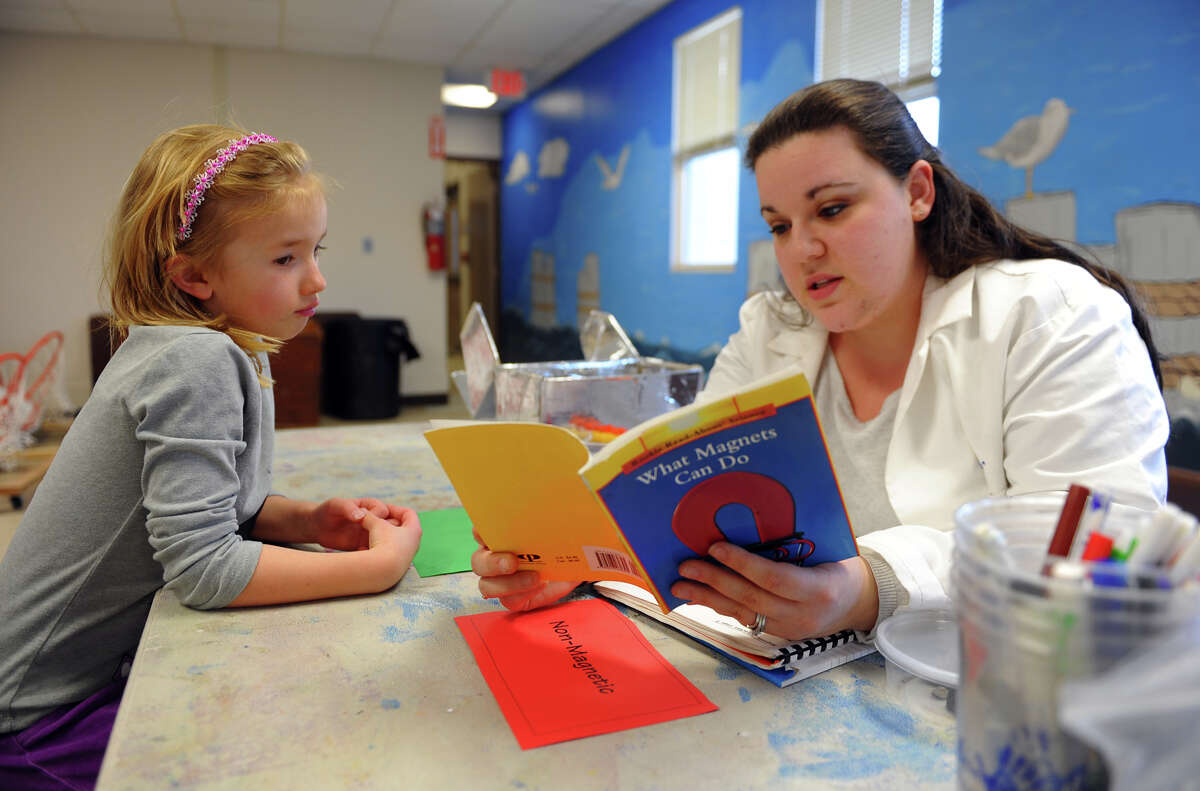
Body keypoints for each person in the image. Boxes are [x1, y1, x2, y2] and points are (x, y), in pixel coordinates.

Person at [471, 79, 1167, 642]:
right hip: (813, 686)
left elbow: (1102, 541)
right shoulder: (770, 330)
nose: (801, 249)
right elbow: (686, 510)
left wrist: (871, 589)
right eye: (779, 225)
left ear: (917, 192)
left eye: (831, 209)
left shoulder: (1051, 314)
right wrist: (581, 562)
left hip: (999, 689)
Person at [0, 125, 423, 790]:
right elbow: (203, 568)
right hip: (36, 719)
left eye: (316, 249)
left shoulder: (229, 346)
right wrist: (377, 567)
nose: (318, 276)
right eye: (286, 259)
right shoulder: (195, 360)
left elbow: (217, 511)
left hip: (74, 687)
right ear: (195, 276)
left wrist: (309, 520)